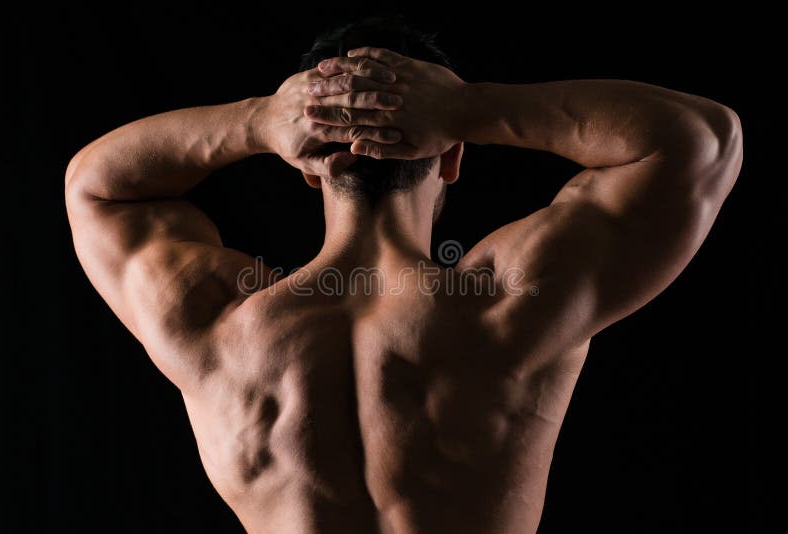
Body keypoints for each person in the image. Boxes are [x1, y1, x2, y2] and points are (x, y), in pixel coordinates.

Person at [65, 18, 742, 534]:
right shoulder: (513, 305)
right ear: (451, 160)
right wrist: (466, 108)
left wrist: (258, 120)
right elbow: (699, 140)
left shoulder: (218, 327)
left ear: (306, 166)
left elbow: (94, 187)